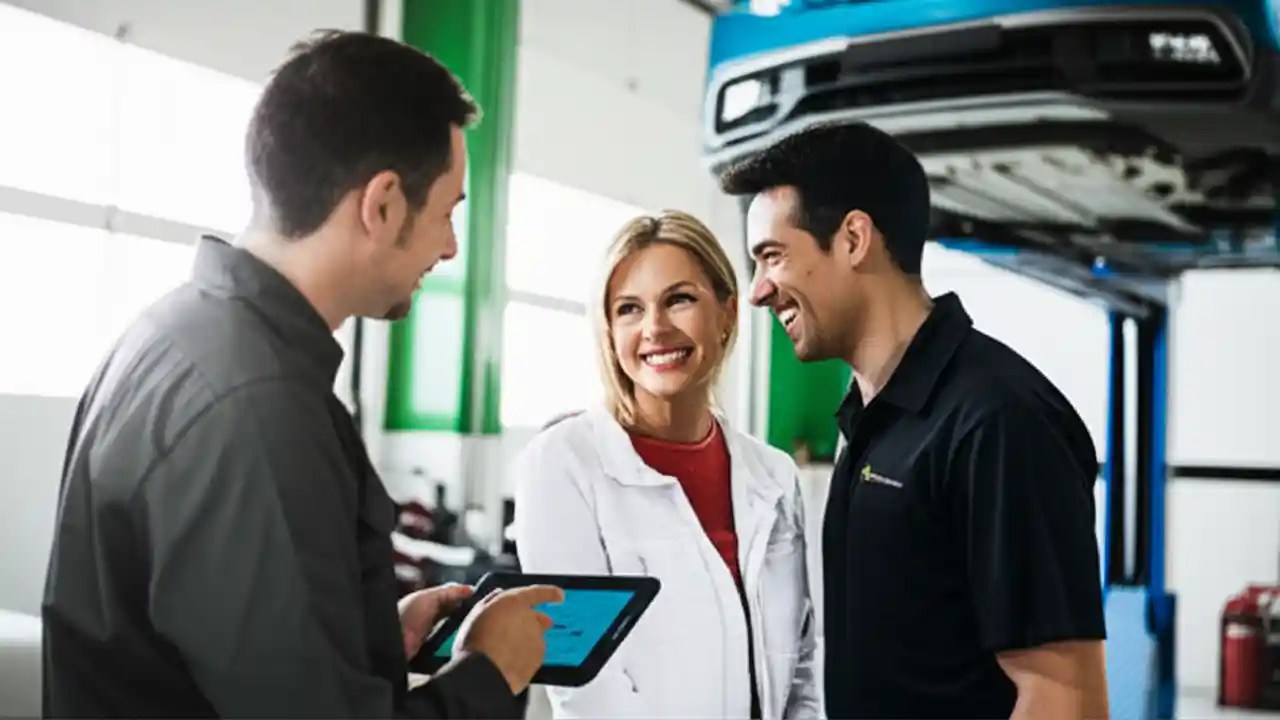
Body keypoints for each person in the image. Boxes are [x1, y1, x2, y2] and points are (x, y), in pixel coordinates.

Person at [41, 30, 562, 718]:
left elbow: (216, 644)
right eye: (447, 212)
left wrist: (370, 634)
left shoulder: (171, 332)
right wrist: (491, 674)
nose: (449, 246)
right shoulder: (258, 406)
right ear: (381, 206)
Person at [718, 122, 1110, 720]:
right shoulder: (875, 417)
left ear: (853, 238)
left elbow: (1064, 696)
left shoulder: (996, 421)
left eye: (772, 256)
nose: (758, 291)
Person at [513, 211, 822, 719]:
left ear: (727, 313)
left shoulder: (773, 474)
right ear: (609, 331)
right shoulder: (562, 465)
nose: (655, 328)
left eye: (679, 299)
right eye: (629, 309)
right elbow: (585, 684)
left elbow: (805, 657)